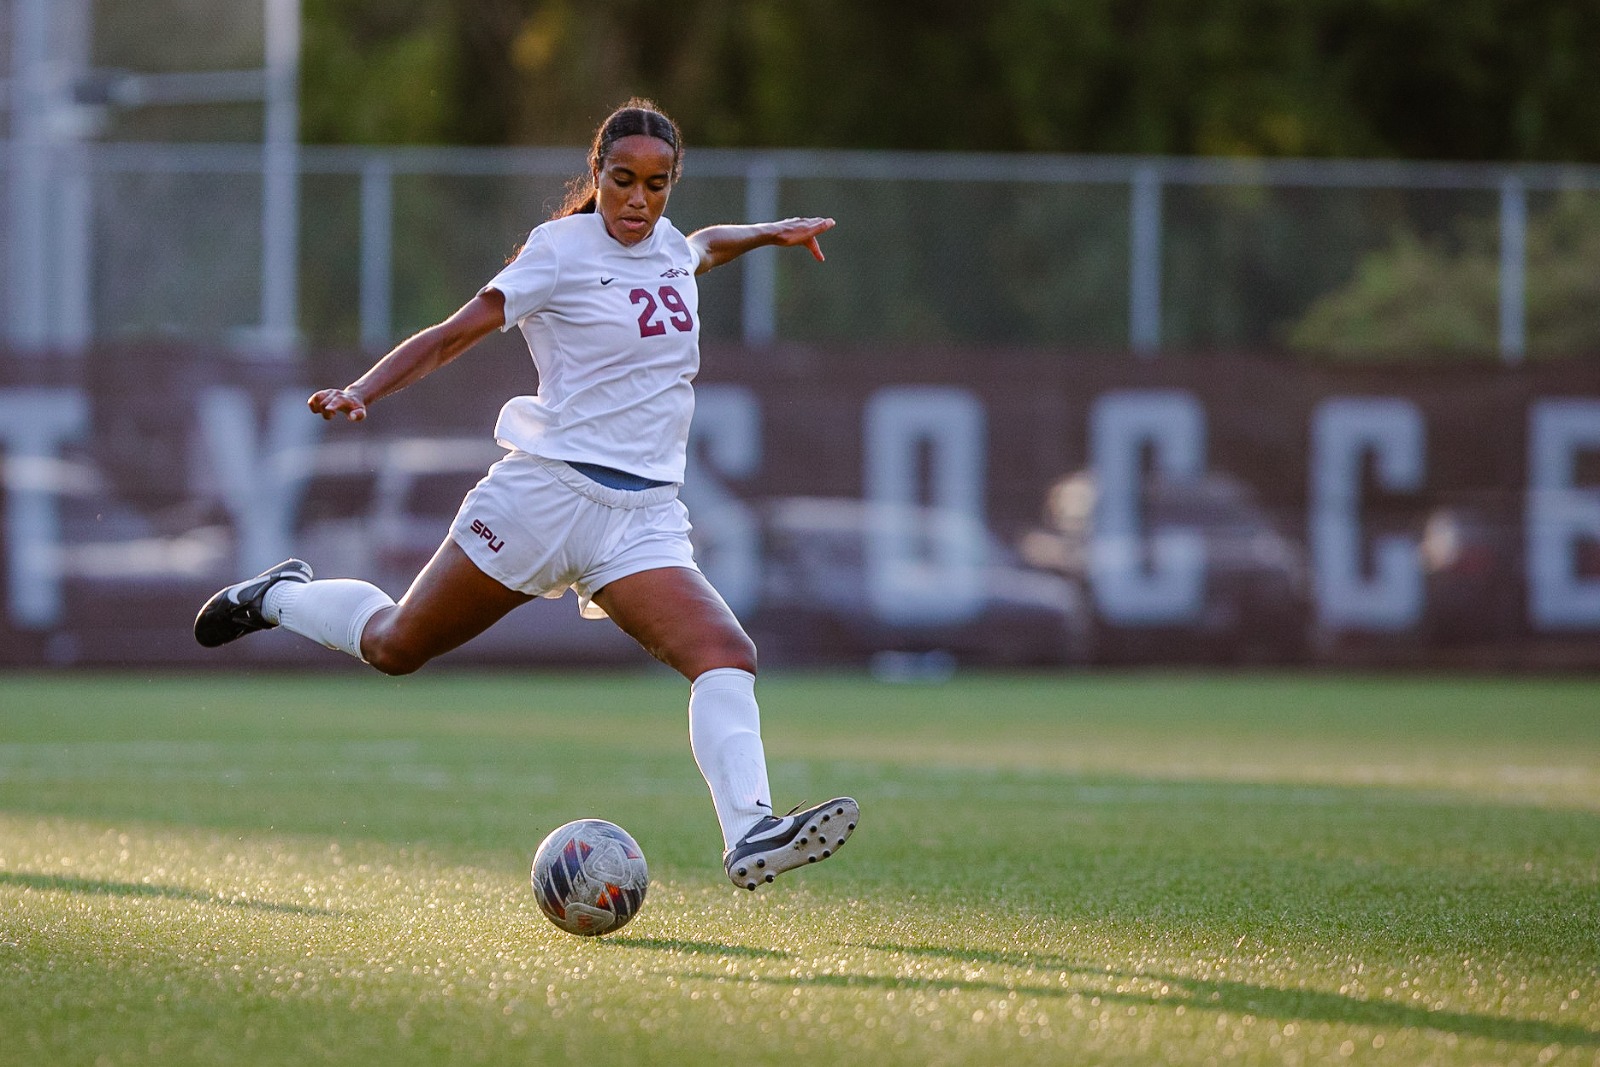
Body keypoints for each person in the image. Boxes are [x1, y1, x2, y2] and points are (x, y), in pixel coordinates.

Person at [193, 99, 857, 892]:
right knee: (397, 645)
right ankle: (279, 597)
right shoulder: (559, 251)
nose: (638, 201)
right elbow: (453, 332)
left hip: (641, 519)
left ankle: (751, 828)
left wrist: (769, 232)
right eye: (622, 182)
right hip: (543, 497)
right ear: (595, 174)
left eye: (657, 184)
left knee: (726, 654)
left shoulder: (673, 245)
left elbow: (702, 246)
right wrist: (362, 389)